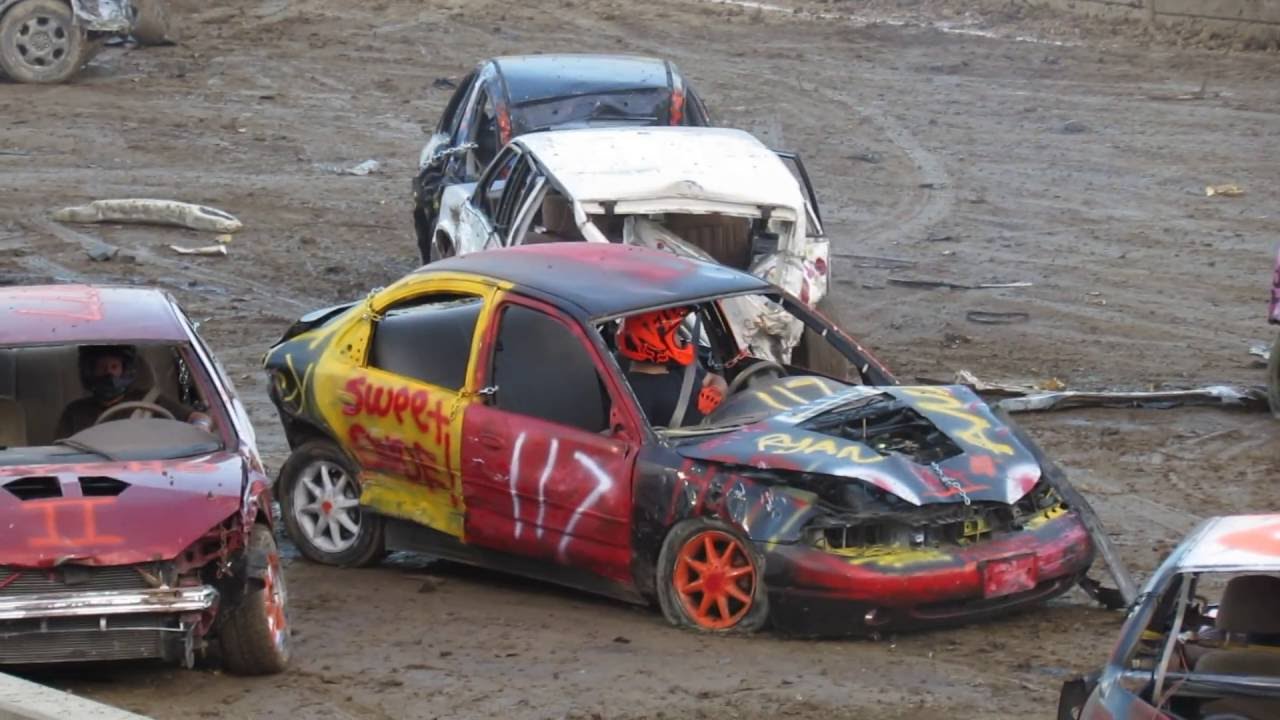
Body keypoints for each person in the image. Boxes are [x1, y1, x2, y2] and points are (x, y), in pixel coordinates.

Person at [55, 345, 210, 439]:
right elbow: (60, 452)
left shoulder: (151, 401)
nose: (108, 373)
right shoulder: (75, 412)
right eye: (101, 368)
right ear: (90, 372)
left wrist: (201, 426)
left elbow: (198, 417)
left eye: (114, 367)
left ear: (125, 369)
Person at [617, 307, 728, 428]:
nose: (681, 340)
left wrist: (716, 390)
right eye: (675, 335)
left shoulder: (681, 369)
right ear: (655, 344)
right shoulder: (635, 393)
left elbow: (713, 378)